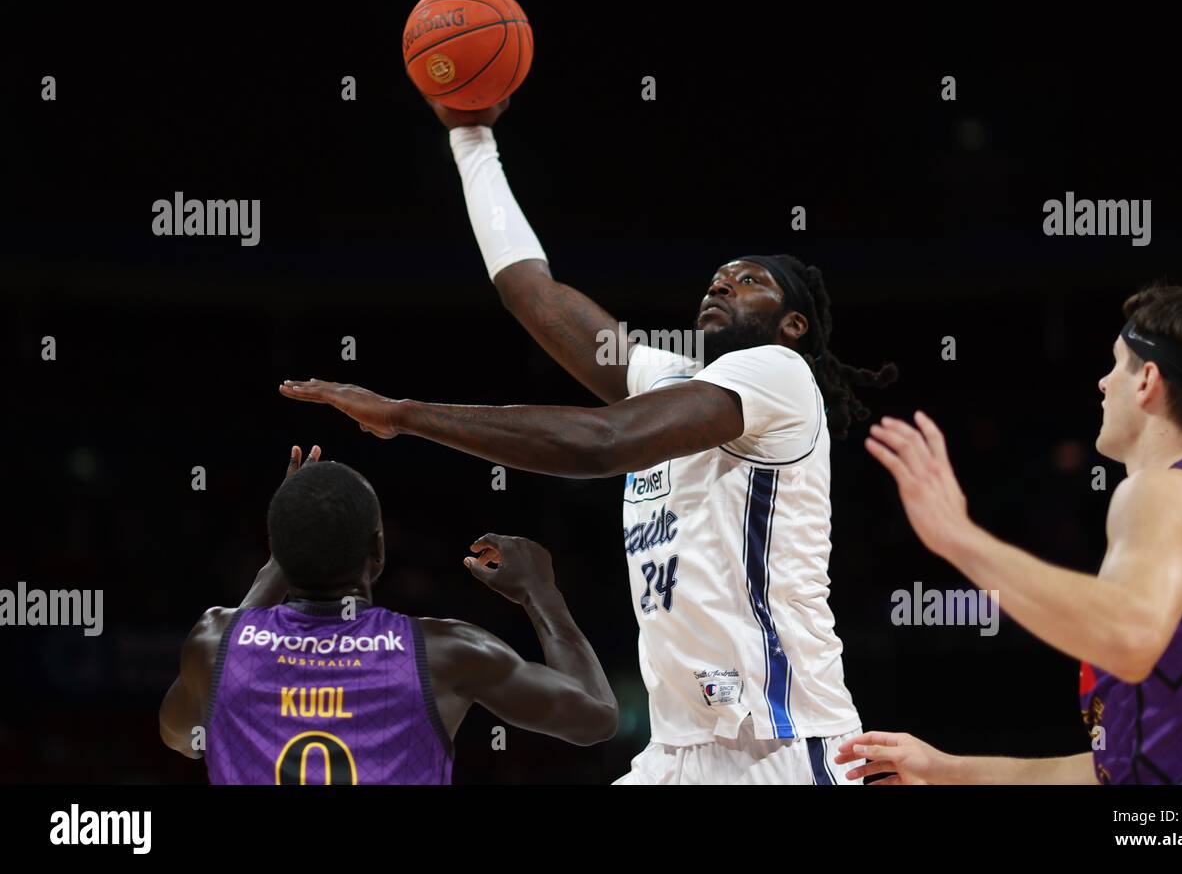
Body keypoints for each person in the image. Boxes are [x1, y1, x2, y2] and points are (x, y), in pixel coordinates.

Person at [277, 98, 896, 783]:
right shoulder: (675, 377)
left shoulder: (779, 375)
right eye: (719, 275)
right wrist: (470, 135)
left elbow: (603, 444)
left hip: (781, 743)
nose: (723, 282)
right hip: (679, 746)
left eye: (752, 281)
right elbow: (530, 293)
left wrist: (405, 414)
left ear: (793, 327)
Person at [838, 284, 1182, 784]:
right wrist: (945, 771)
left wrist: (957, 537)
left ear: (1146, 380)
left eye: (1116, 364)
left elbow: (1127, 636)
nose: (1103, 383)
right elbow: (1112, 772)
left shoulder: (1167, 491)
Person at [159, 445, 618, 784]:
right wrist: (541, 594)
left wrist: (281, 556)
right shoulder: (446, 652)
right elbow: (596, 718)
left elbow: (180, 737)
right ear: (377, 552)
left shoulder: (214, 642)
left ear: (276, 552)